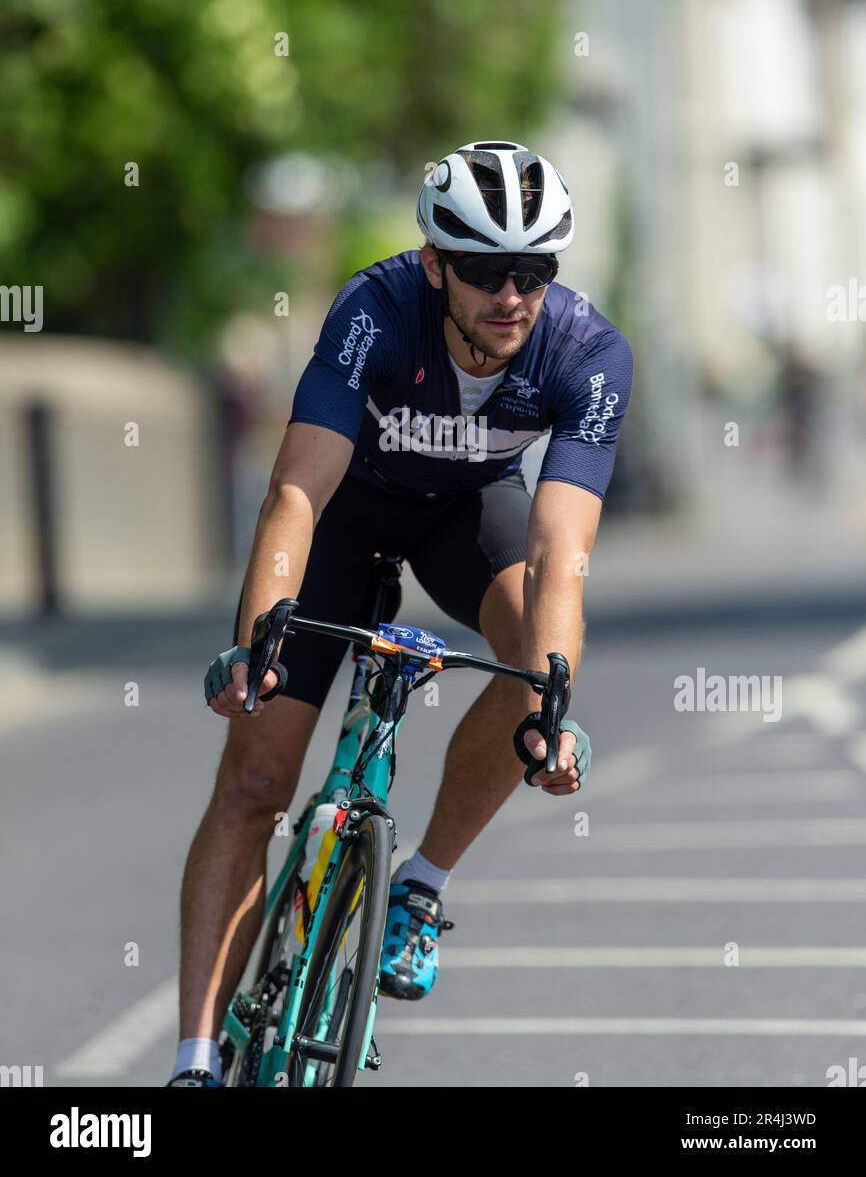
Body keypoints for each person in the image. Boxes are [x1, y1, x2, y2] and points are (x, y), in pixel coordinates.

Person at [168, 141, 633, 1086]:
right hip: (346, 511)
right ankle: (197, 1058)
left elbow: (558, 552)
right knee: (257, 784)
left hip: (470, 513)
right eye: (483, 270)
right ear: (434, 264)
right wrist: (259, 642)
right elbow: (295, 493)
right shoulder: (374, 310)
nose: (511, 294)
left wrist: (552, 711)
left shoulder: (589, 354)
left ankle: (419, 889)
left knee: (532, 667)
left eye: (534, 270)